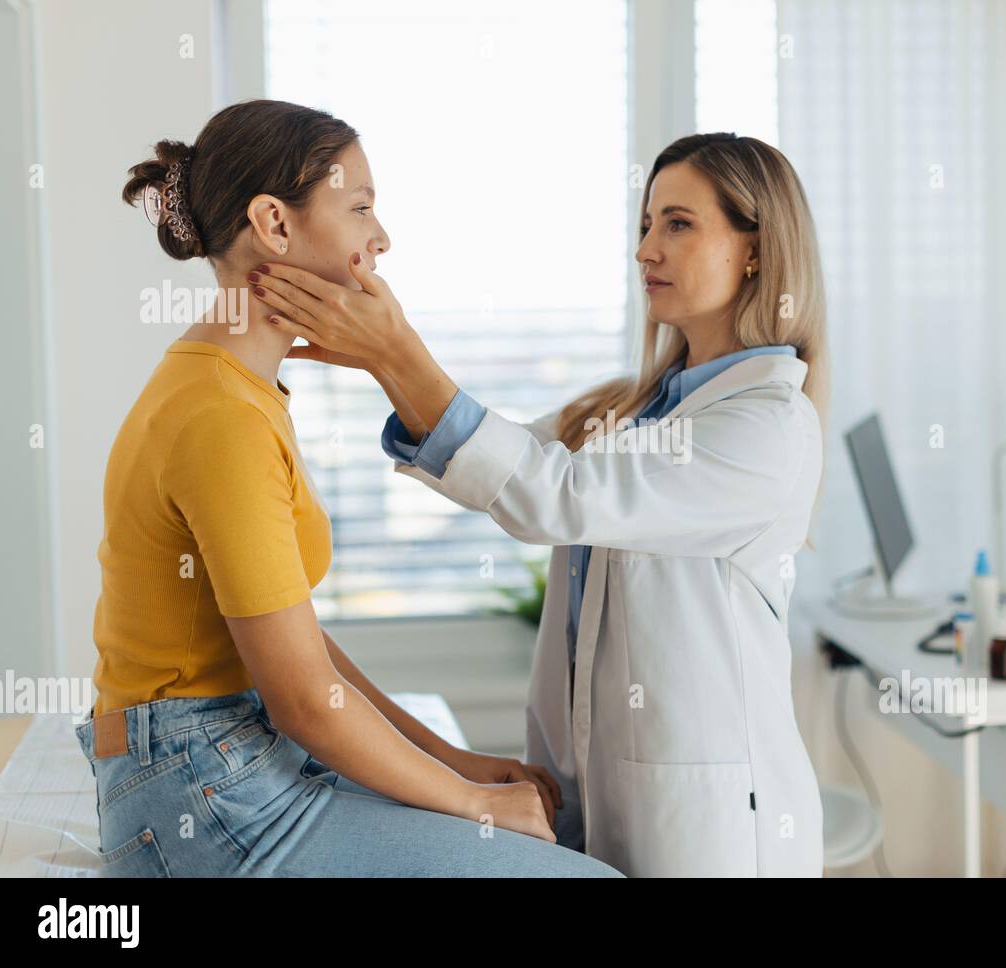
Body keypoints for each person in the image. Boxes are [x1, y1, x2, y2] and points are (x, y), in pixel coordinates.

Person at [252, 133, 830, 876]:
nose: (646, 249)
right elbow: (512, 461)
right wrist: (382, 363)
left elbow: (554, 495)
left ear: (756, 247)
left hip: (716, 830)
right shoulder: (635, 409)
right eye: (645, 225)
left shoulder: (768, 427)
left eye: (678, 224)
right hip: (595, 789)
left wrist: (398, 352)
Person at [76, 99, 621, 878]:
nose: (382, 237)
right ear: (275, 223)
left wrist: (455, 763)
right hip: (200, 800)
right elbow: (302, 701)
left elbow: (298, 658)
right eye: (360, 206)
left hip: (225, 771)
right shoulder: (220, 417)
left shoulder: (235, 387)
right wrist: (473, 804)